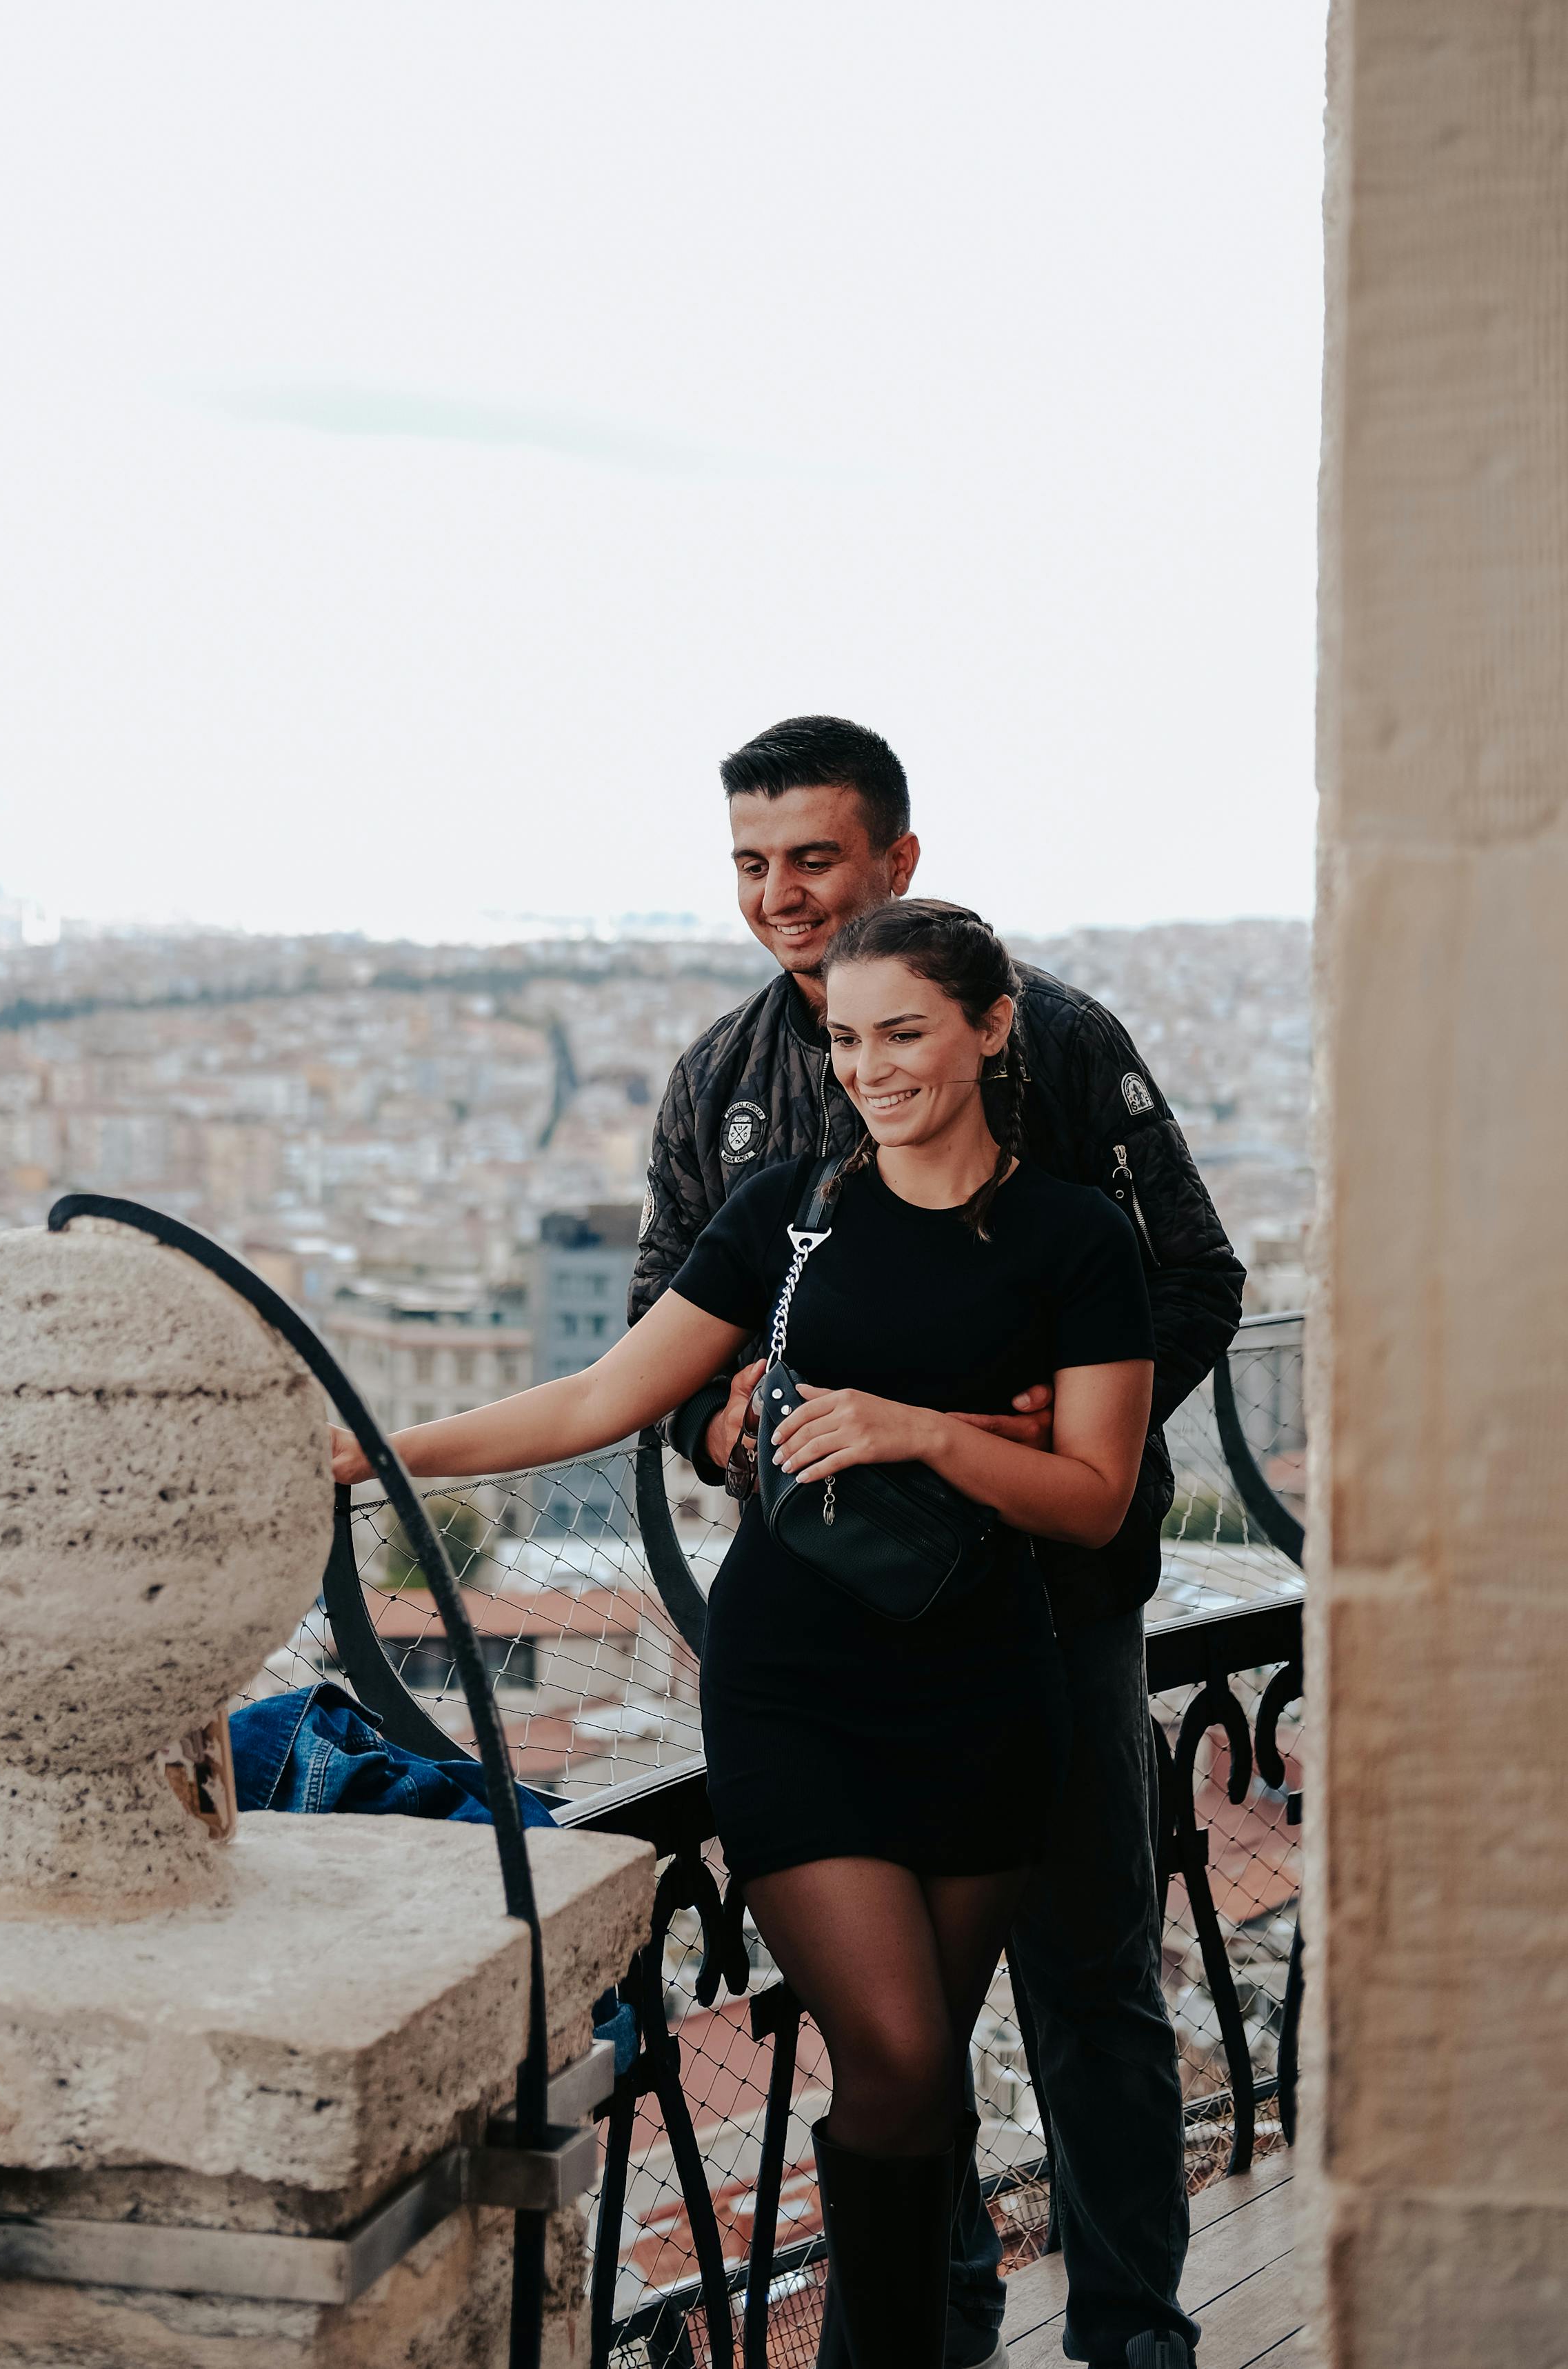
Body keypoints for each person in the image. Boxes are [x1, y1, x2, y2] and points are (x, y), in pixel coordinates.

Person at [330, 903, 1159, 2366]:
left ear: (990, 1025)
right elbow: (599, 1397)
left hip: (982, 1689)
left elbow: (1091, 1500)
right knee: (896, 2057)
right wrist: (376, 1452)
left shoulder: (1076, 1237)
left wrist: (919, 1432)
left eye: (903, 1031)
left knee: (928, 2089)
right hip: (795, 1689)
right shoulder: (789, 1207)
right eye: (845, 1039)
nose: (870, 1068)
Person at [632, 716, 1244, 2369]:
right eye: (751, 865)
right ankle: (942, 2319)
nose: (779, 896)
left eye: (812, 859)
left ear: (896, 859)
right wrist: (721, 1423)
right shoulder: (725, 1085)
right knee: (906, 2026)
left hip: (1047, 1602)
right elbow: (655, 1343)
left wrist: (1036, 1433)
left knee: (1087, 1971)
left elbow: (1184, 1273)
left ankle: (1128, 2331)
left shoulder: (1043, 1032)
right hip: (836, 1622)